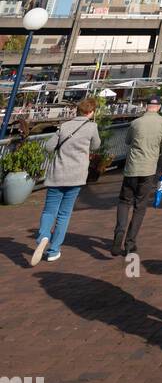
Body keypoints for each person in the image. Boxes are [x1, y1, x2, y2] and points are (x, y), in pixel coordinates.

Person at [31, 97, 101, 265]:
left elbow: (48, 147)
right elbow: (96, 146)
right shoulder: (92, 127)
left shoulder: (64, 126)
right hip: (76, 176)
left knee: (49, 210)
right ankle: (54, 250)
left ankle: (44, 235)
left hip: (57, 174)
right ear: (91, 112)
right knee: (64, 214)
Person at [111, 94, 162, 256]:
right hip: (148, 170)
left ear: (146, 106)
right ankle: (130, 243)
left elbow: (128, 141)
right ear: (159, 107)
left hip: (131, 168)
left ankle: (119, 233)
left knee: (124, 201)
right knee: (140, 206)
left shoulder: (136, 122)